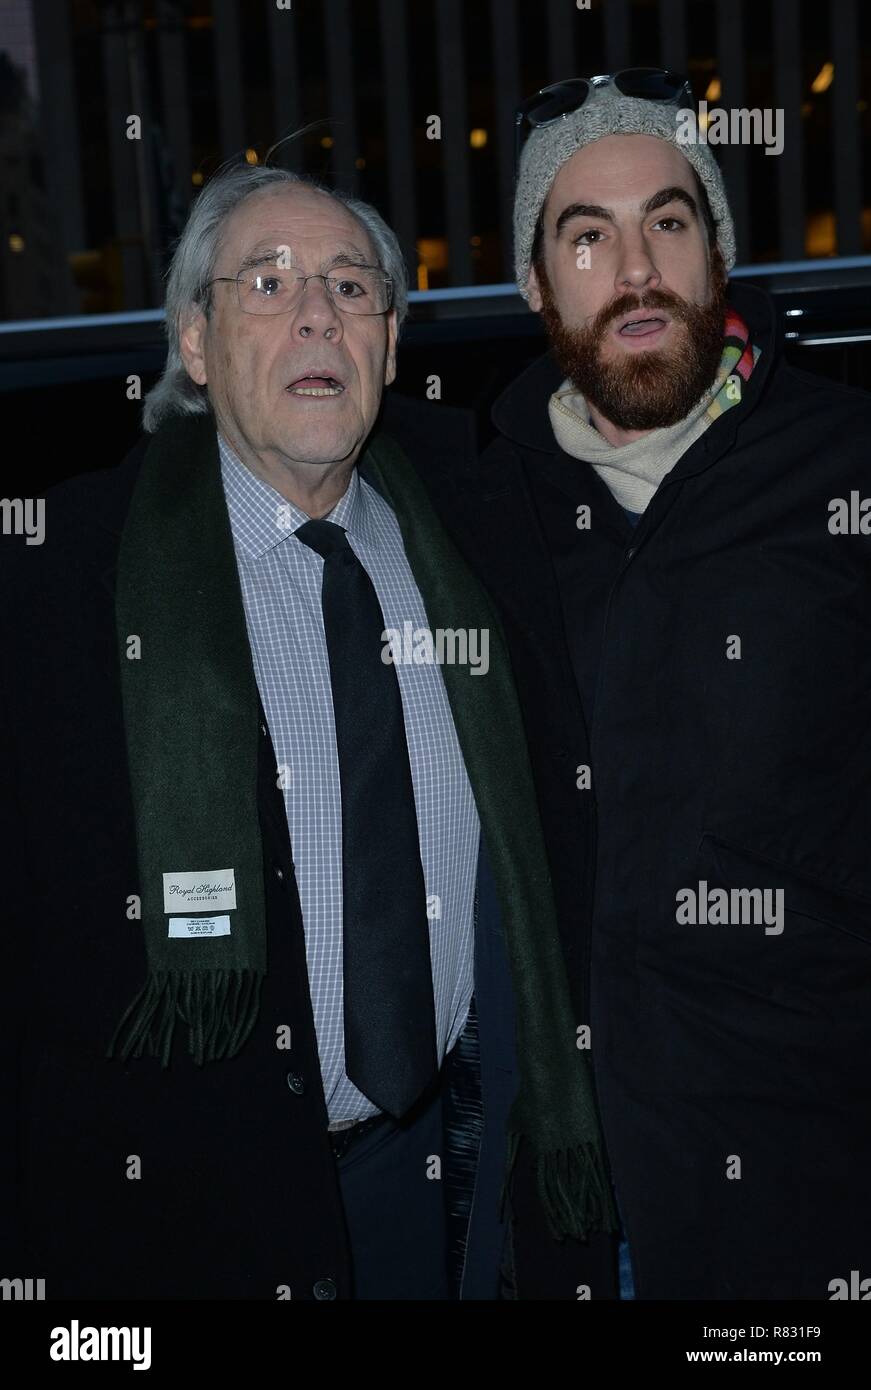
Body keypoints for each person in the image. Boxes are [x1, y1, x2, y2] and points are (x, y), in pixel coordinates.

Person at [0, 162, 616, 1301]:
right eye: (269, 282)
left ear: (387, 345)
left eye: (351, 286)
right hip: (173, 1217)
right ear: (195, 340)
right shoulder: (58, 588)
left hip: (429, 1181)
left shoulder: (486, 550)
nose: (318, 312)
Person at [416, 71, 871, 1299]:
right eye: (586, 234)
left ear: (716, 250)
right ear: (531, 281)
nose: (635, 267)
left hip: (809, 1190)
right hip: (565, 1193)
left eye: (668, 221)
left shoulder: (840, 469)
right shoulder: (477, 509)